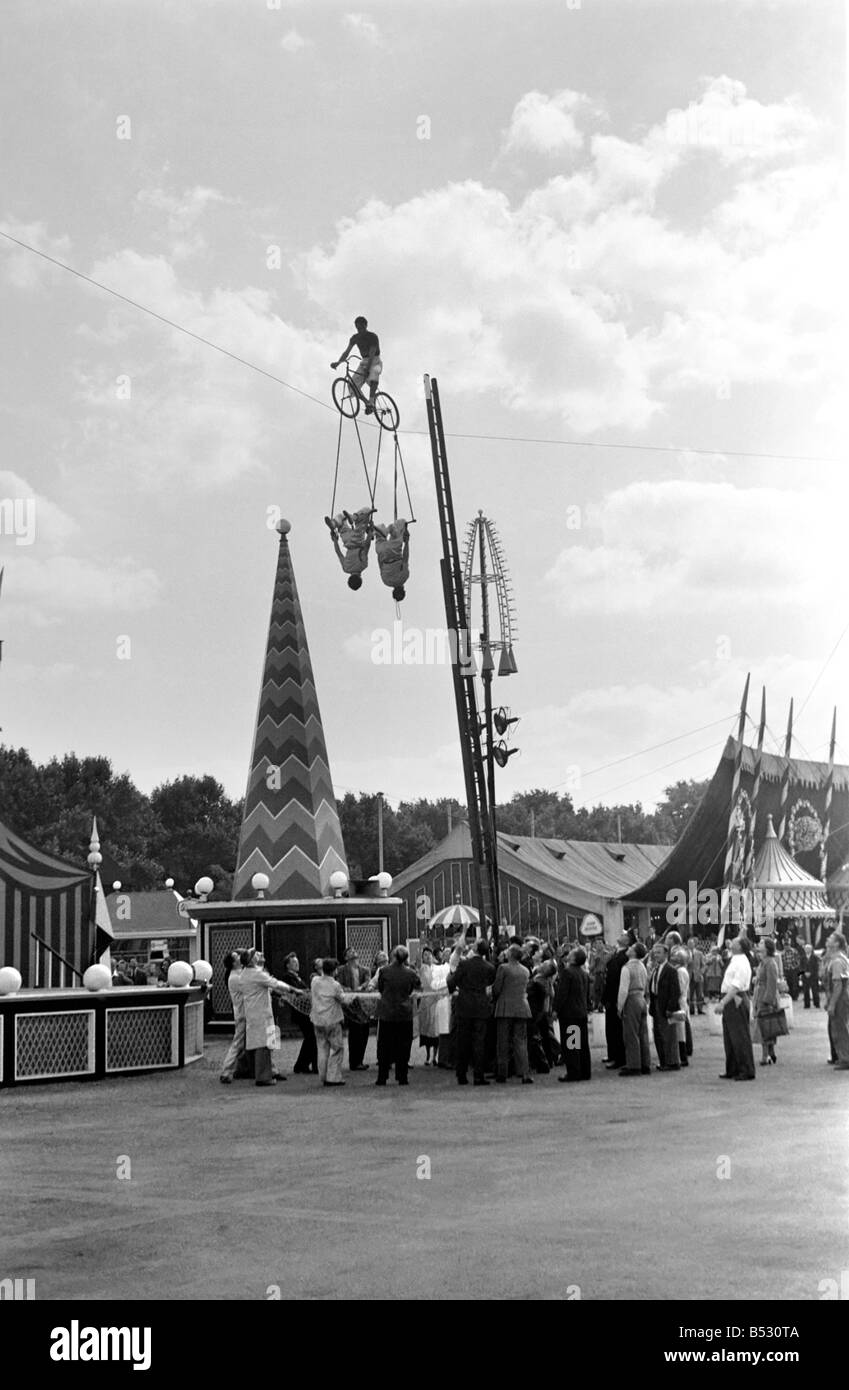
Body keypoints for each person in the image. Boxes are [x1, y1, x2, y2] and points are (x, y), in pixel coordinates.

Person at [240, 950, 293, 1087]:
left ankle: (270, 1071)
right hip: (261, 1013)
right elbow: (274, 983)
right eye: (256, 955)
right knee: (263, 1045)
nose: (259, 956)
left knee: (269, 1042)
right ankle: (263, 1076)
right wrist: (292, 989)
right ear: (251, 960)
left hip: (258, 1012)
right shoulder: (257, 974)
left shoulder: (247, 973)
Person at [448, 939, 496, 1086]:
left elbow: (452, 981)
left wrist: (454, 991)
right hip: (481, 1005)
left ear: (475, 948)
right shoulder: (489, 967)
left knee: (463, 1040)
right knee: (479, 1042)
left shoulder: (464, 964)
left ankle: (461, 1074)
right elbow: (490, 983)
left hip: (464, 1004)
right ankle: (478, 1075)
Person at [375, 945, 421, 1085]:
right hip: (404, 1013)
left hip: (387, 1013)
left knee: (384, 1046)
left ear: (393, 956)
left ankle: (382, 1077)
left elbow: (381, 988)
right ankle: (402, 1076)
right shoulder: (411, 973)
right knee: (404, 1045)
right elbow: (416, 987)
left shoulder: (384, 971)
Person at [715, 937, 756, 1081]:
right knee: (730, 1037)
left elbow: (736, 986)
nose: (731, 943)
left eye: (735, 942)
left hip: (736, 998)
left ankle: (746, 1069)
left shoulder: (741, 962)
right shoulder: (735, 958)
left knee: (740, 1036)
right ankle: (732, 1068)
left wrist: (723, 1003)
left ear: (740, 946)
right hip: (731, 998)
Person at [492, 945, 533, 1083]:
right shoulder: (526, 970)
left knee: (502, 1042)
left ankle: (502, 1072)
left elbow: (497, 988)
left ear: (510, 955)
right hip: (522, 1007)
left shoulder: (503, 968)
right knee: (521, 1041)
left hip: (505, 1008)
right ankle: (524, 1072)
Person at [331, 316, 382, 413]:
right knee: (352, 385)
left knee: (373, 378)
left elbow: (372, 353)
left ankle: (371, 401)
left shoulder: (372, 337)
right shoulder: (355, 338)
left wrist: (368, 368)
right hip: (364, 360)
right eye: (358, 328)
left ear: (366, 326)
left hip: (374, 359)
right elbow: (346, 353)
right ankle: (367, 403)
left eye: (361, 328)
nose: (360, 330)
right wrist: (337, 363)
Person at [555, 946, 591, 1083]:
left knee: (572, 1044)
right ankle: (585, 1071)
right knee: (582, 1044)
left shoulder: (568, 973)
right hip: (581, 1012)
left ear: (574, 958)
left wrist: (556, 1009)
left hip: (570, 1014)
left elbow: (562, 993)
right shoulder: (583, 973)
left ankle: (574, 1072)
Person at [616, 940, 651, 1076]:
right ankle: (645, 1063)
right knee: (643, 1033)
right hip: (641, 998)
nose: (628, 948)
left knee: (631, 1034)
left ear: (634, 952)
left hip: (631, 999)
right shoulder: (642, 966)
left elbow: (623, 990)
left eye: (631, 947)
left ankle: (634, 1065)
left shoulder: (626, 968)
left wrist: (620, 1007)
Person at [310, 958, 346, 1087]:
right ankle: (334, 1077)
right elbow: (343, 999)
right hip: (332, 1020)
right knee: (337, 1049)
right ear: (335, 970)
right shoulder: (335, 985)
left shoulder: (314, 981)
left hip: (317, 1020)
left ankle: (323, 1076)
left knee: (322, 1049)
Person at [752, 936, 786, 1066]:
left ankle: (765, 1055)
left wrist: (768, 1000)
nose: (758, 945)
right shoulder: (764, 961)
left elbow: (772, 983)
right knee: (765, 1025)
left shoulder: (771, 963)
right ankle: (770, 1052)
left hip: (765, 997)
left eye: (761, 943)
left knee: (765, 1025)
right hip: (760, 994)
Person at [647, 942, 681, 1071]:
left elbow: (675, 991)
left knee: (669, 1035)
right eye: (655, 953)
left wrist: (670, 1008)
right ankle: (663, 1061)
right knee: (658, 1034)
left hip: (666, 1006)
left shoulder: (671, 970)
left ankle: (672, 1062)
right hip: (656, 1003)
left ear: (666, 954)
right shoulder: (656, 969)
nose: (656, 955)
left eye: (659, 953)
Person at [336, 948, 371, 1071]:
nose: (353, 953)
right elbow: (338, 984)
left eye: (354, 951)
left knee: (364, 1032)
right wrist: (347, 990)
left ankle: (360, 1060)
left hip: (363, 1005)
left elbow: (368, 981)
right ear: (345, 957)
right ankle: (354, 1062)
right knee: (355, 1033)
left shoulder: (364, 970)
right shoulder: (341, 970)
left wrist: (361, 987)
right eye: (349, 952)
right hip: (350, 1005)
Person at [325, 507, 374, 591]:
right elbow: (338, 553)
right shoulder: (346, 568)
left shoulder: (363, 566)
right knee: (341, 520)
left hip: (357, 540)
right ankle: (334, 524)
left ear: (360, 579)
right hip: (347, 541)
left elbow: (366, 547)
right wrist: (335, 540)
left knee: (366, 512)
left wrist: (370, 532)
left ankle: (353, 517)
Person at [220, 949, 250, 1083]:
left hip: (243, 1013)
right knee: (238, 1043)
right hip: (243, 1014)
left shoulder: (237, 974)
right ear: (233, 963)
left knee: (241, 1043)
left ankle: (239, 1069)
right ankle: (226, 1071)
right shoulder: (236, 977)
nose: (239, 956)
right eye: (236, 956)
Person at [601, 934, 630, 1070]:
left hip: (615, 996)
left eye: (625, 935)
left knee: (616, 1029)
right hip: (610, 996)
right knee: (610, 1028)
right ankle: (612, 1054)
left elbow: (615, 979)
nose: (621, 935)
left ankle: (619, 1057)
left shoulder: (624, 956)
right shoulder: (616, 953)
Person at [825, 932, 849, 1070]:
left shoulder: (837, 961)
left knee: (839, 1028)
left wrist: (832, 1004)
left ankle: (845, 1058)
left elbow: (838, 984)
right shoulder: (841, 958)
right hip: (842, 996)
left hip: (839, 998)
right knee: (840, 1026)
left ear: (837, 944)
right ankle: (842, 1056)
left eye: (831, 939)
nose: (828, 940)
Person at [373, 518, 410, 602]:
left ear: (403, 589)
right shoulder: (386, 581)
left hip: (395, 550)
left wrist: (407, 542)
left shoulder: (404, 577)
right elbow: (379, 562)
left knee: (401, 523)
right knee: (380, 530)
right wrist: (380, 552)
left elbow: (405, 558)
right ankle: (381, 532)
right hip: (382, 551)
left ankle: (390, 529)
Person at [417, 946, 440, 1065]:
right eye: (425, 955)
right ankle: (428, 1055)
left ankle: (435, 1056)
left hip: (437, 1000)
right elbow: (426, 982)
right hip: (427, 1000)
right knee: (427, 1026)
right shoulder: (423, 968)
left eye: (429, 954)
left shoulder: (437, 968)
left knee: (436, 1028)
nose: (428, 956)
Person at [671, 948, 691, 1067]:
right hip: (680, 1002)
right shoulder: (680, 970)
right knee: (679, 1030)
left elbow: (680, 988)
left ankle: (682, 1057)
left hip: (679, 1003)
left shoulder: (681, 971)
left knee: (679, 1030)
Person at [799, 943, 821, 1009]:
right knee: (806, 991)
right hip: (805, 977)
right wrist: (804, 973)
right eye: (806, 948)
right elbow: (800, 967)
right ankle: (807, 1005)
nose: (807, 950)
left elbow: (816, 966)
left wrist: (811, 973)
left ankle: (817, 1004)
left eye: (808, 948)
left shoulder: (815, 957)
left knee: (815, 991)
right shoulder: (802, 957)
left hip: (813, 976)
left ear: (811, 949)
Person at [687, 939, 705, 1015]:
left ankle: (700, 1009)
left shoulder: (699, 953)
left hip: (698, 976)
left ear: (694, 944)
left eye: (691, 943)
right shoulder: (685, 954)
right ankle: (691, 1010)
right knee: (690, 994)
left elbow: (703, 965)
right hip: (689, 976)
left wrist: (701, 973)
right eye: (689, 943)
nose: (690, 945)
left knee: (699, 993)